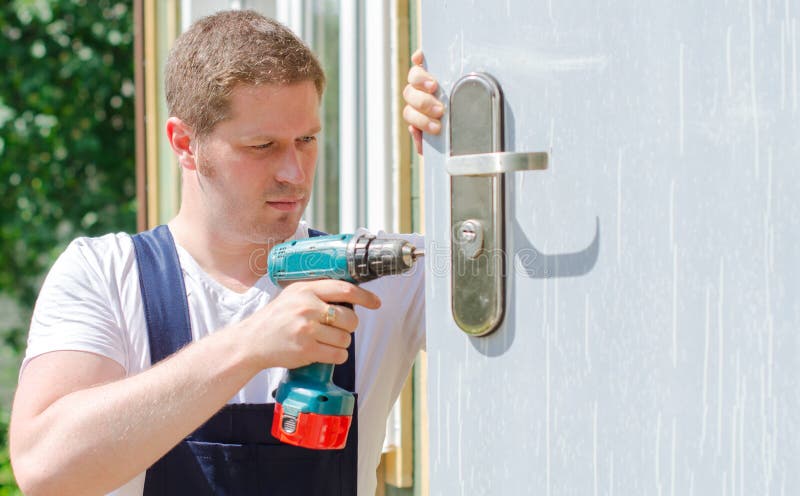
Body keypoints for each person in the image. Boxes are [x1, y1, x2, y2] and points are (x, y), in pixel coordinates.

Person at [9, 10, 443, 496]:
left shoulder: (377, 273)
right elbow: (43, 469)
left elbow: (507, 276)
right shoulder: (106, 274)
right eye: (263, 145)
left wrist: (454, 147)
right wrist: (250, 345)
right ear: (185, 143)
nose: (295, 173)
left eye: (306, 140)